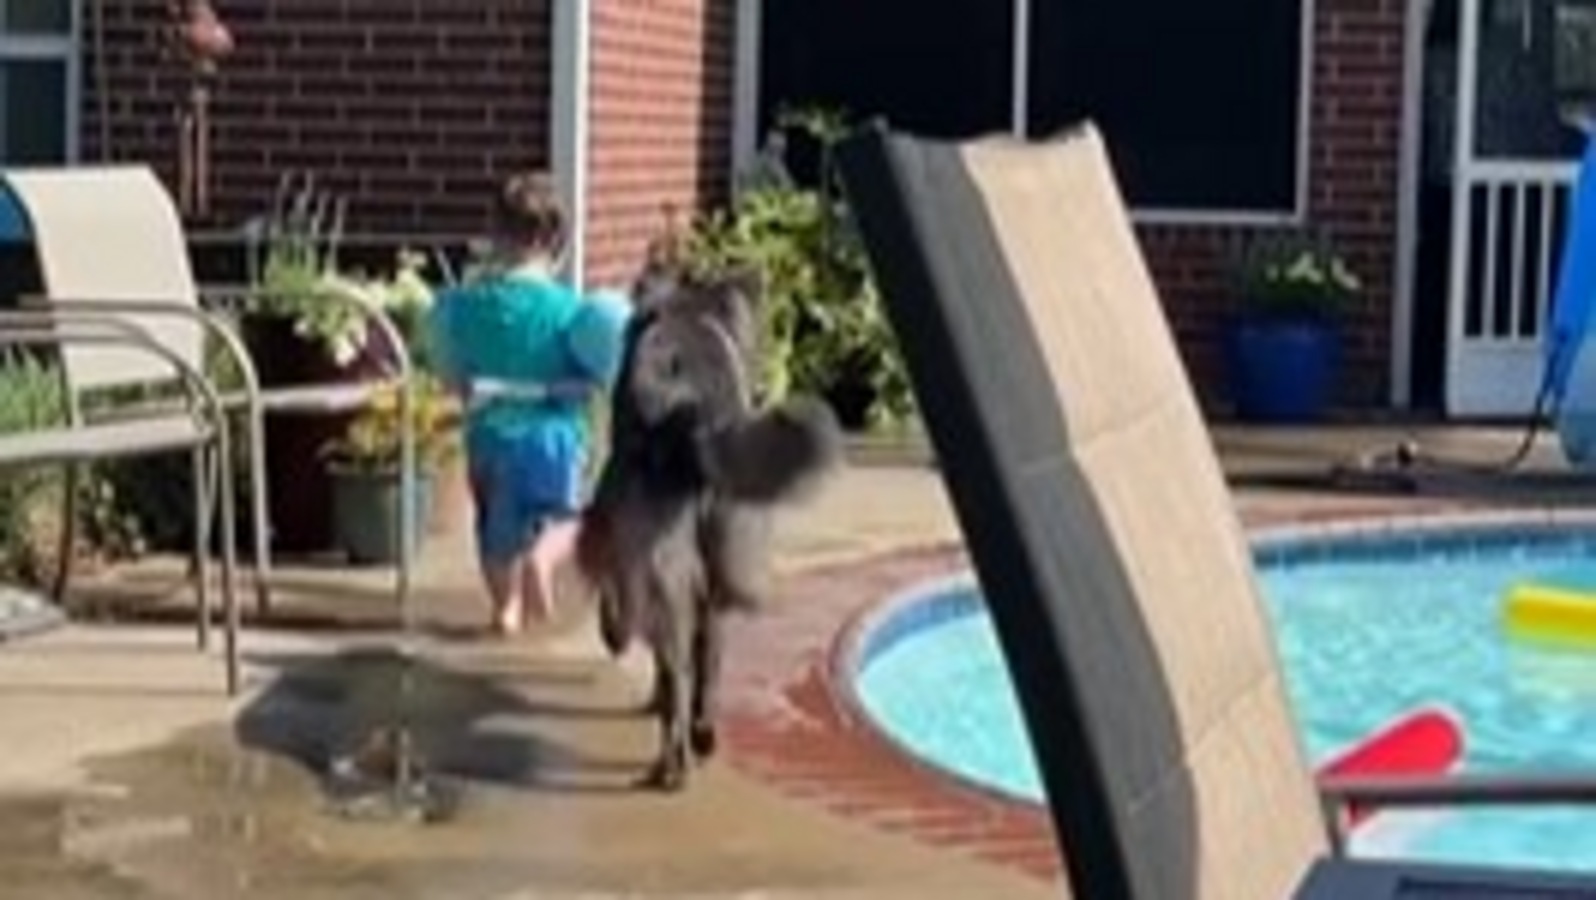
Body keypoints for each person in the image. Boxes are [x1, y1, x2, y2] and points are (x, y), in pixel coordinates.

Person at [427, 171, 624, 635]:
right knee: (568, 518)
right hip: (554, 438)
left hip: (489, 441)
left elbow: (452, 375)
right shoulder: (570, 312)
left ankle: (506, 609)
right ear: (554, 241)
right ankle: (544, 557)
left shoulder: (465, 307)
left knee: (495, 536)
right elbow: (600, 371)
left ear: (496, 234)